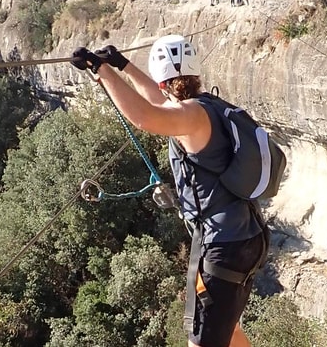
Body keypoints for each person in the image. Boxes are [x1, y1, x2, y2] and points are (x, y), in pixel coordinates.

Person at [70, 37, 269, 347]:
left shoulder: (191, 116)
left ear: (162, 77)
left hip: (225, 246)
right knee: (227, 332)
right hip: (244, 236)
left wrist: (103, 71)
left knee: (201, 342)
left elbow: (146, 116)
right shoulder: (206, 107)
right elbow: (160, 103)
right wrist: (123, 67)